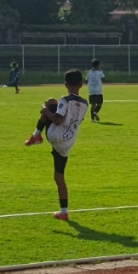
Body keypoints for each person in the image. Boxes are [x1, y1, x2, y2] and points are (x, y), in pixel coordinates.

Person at [23, 70, 88, 220]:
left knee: (50, 102)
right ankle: (63, 212)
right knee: (59, 177)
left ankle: (36, 135)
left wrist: (46, 111)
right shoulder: (85, 103)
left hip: (55, 135)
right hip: (69, 141)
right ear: (81, 84)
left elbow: (58, 120)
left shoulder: (64, 100)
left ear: (65, 84)